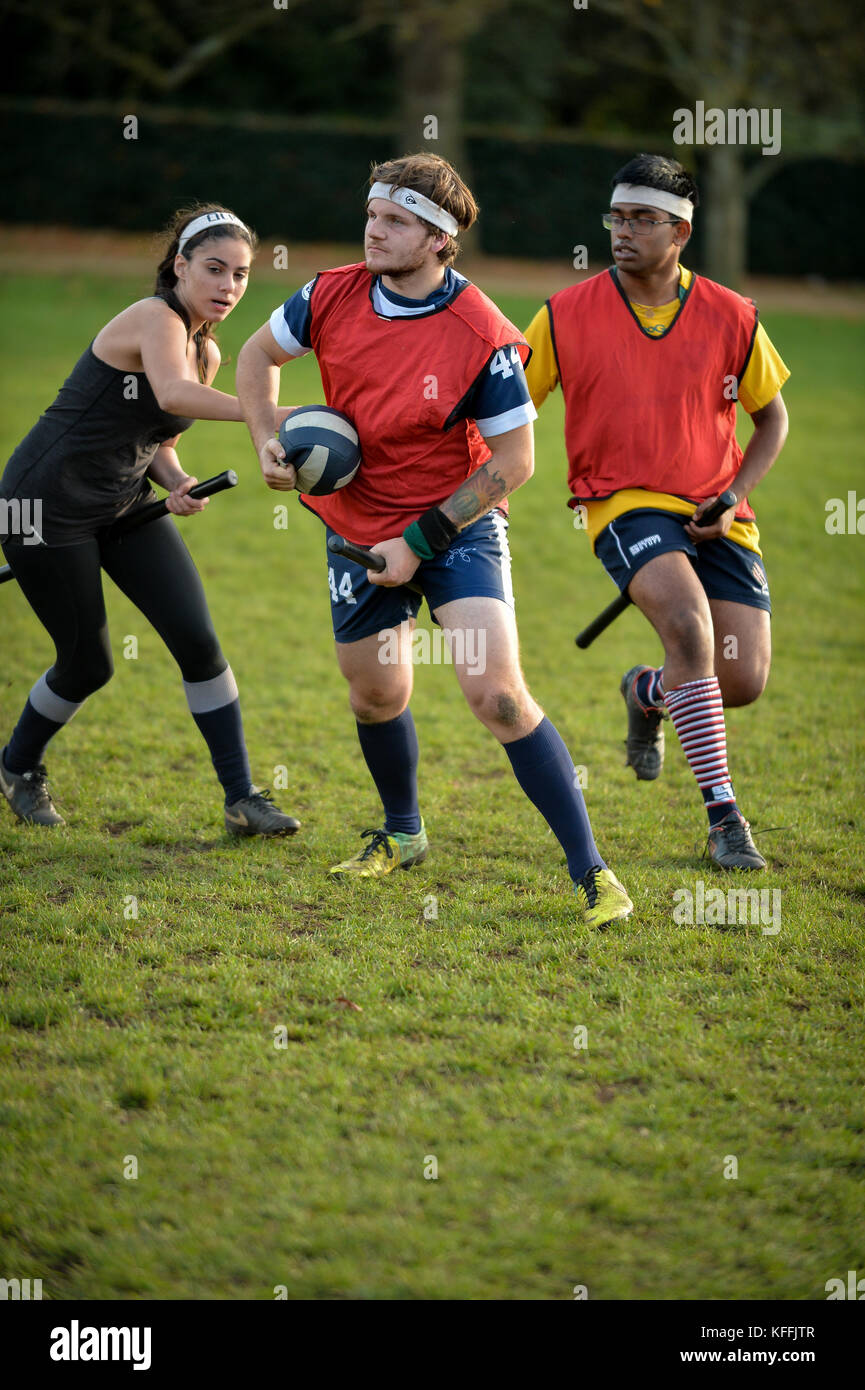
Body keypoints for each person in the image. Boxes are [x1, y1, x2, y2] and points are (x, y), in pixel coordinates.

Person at [236, 152, 631, 928]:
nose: (373, 232)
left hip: (456, 526)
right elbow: (255, 356)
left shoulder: (480, 332)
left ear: (440, 240)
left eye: (396, 223)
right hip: (355, 526)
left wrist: (419, 541)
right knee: (376, 692)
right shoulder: (329, 293)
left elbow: (516, 462)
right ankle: (402, 831)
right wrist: (262, 442)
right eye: (373, 216)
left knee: (499, 696)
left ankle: (593, 873)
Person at [524, 153, 790, 869]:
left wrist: (732, 494)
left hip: (717, 509)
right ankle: (724, 819)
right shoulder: (564, 314)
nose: (623, 231)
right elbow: (508, 411)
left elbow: (771, 422)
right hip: (621, 503)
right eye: (617, 217)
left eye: (642, 219)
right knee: (687, 627)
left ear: (679, 232)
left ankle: (646, 691)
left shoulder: (732, 316)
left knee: (740, 680)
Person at [0, 204, 300, 837]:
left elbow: (157, 435)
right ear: (179, 266)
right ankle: (17, 766)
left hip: (123, 500)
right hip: (42, 506)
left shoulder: (207, 350)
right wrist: (267, 412)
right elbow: (170, 395)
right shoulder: (153, 317)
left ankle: (242, 797)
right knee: (88, 665)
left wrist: (180, 481)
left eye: (242, 275)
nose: (228, 287)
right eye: (215, 270)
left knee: (199, 642)